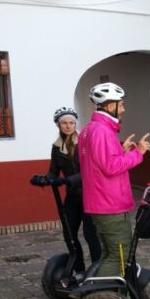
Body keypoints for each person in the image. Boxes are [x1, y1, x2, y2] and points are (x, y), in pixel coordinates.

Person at [78, 82, 150, 277]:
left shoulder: (89, 129)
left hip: (101, 202)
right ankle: (96, 290)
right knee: (120, 256)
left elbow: (99, 163)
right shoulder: (102, 131)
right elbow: (111, 167)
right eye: (122, 104)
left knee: (110, 253)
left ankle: (100, 288)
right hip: (110, 204)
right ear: (110, 105)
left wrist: (121, 151)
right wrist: (138, 152)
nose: (124, 109)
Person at [47, 107, 101, 278]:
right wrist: (45, 179)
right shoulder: (57, 147)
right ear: (58, 125)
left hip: (89, 195)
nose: (68, 126)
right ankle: (79, 269)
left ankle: (98, 269)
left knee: (90, 235)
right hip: (72, 196)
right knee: (69, 233)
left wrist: (68, 180)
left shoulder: (83, 144)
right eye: (64, 123)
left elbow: (88, 170)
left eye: (71, 122)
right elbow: (53, 170)